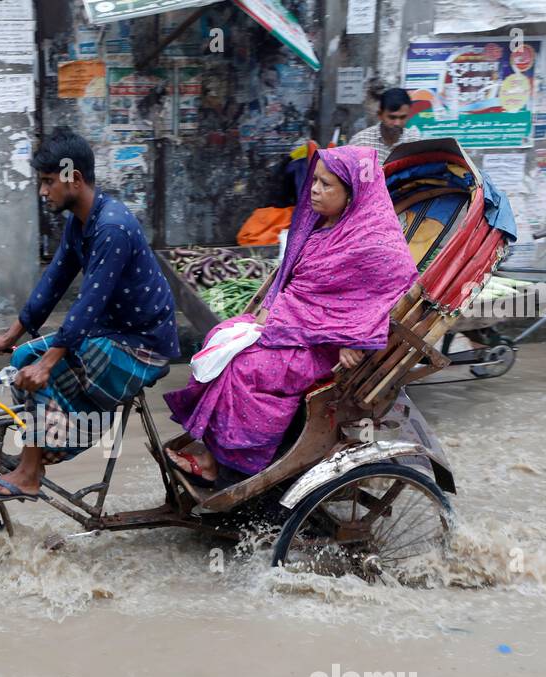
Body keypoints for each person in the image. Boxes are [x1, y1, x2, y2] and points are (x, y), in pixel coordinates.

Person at [164, 145, 419, 486]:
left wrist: (352, 337)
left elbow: (390, 289)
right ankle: (218, 449)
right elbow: (293, 282)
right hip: (292, 327)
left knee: (244, 369)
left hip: (323, 346)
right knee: (219, 338)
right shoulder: (316, 224)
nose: (314, 189)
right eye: (315, 180)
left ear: (351, 192)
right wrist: (272, 314)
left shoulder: (376, 243)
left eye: (327, 185)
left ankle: (234, 464)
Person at [0, 129, 180, 501]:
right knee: (23, 356)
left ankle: (31, 470)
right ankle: (33, 455)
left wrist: (48, 365)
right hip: (111, 331)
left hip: (141, 344)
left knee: (38, 370)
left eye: (49, 182)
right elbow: (53, 282)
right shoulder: (81, 222)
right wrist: (10, 336)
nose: (43, 191)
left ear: (75, 179)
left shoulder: (112, 227)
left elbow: (89, 305)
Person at [349, 88, 423, 165]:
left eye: (402, 117)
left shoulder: (414, 142)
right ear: (380, 115)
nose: (397, 123)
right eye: (392, 117)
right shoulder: (360, 142)